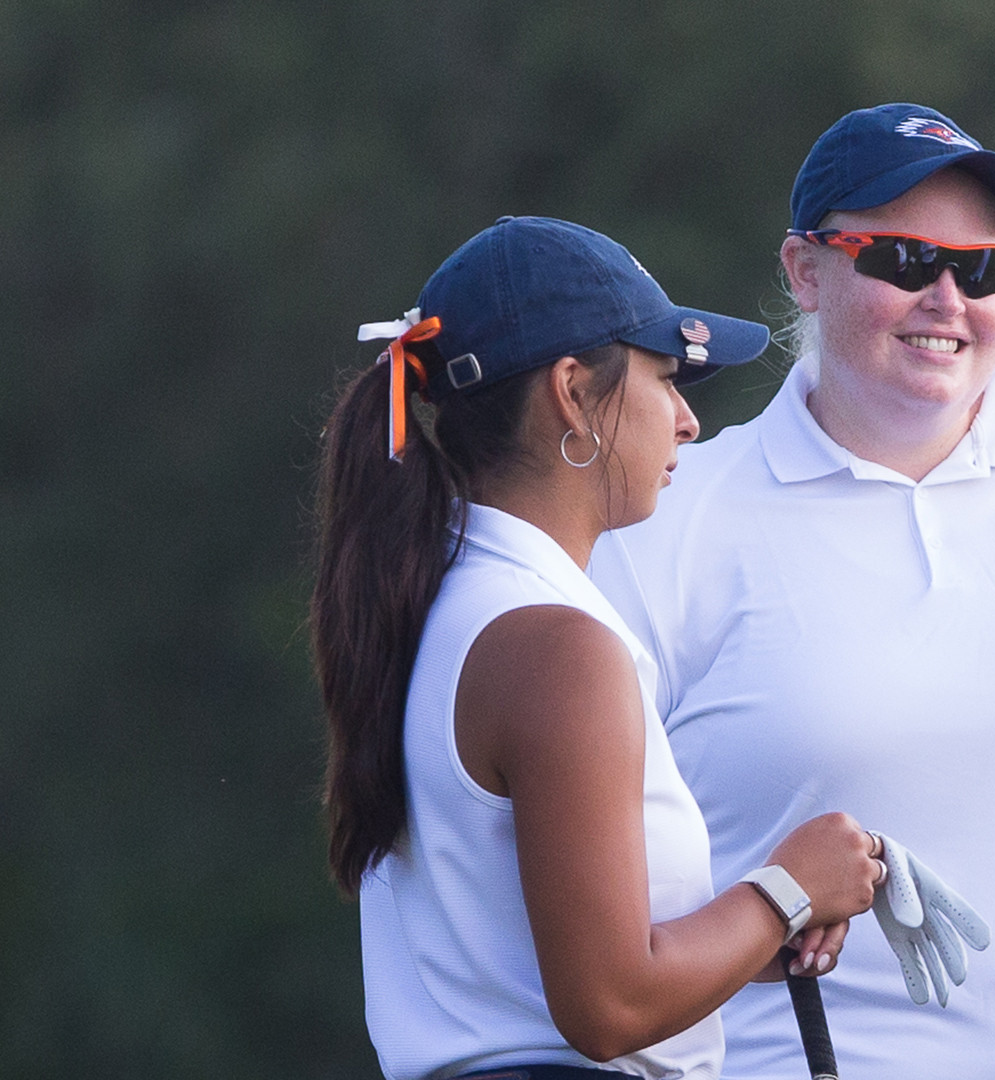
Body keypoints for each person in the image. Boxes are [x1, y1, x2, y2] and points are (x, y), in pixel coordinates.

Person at [591, 104, 995, 1079]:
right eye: (903, 261)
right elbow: (591, 899)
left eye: (982, 269)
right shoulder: (674, 522)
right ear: (805, 271)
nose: (948, 298)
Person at [311, 216, 886, 1080]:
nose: (688, 422)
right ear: (573, 393)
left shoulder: (448, 600)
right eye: (664, 377)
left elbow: (541, 961)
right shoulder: (554, 647)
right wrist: (787, 889)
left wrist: (752, 925)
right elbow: (609, 1006)